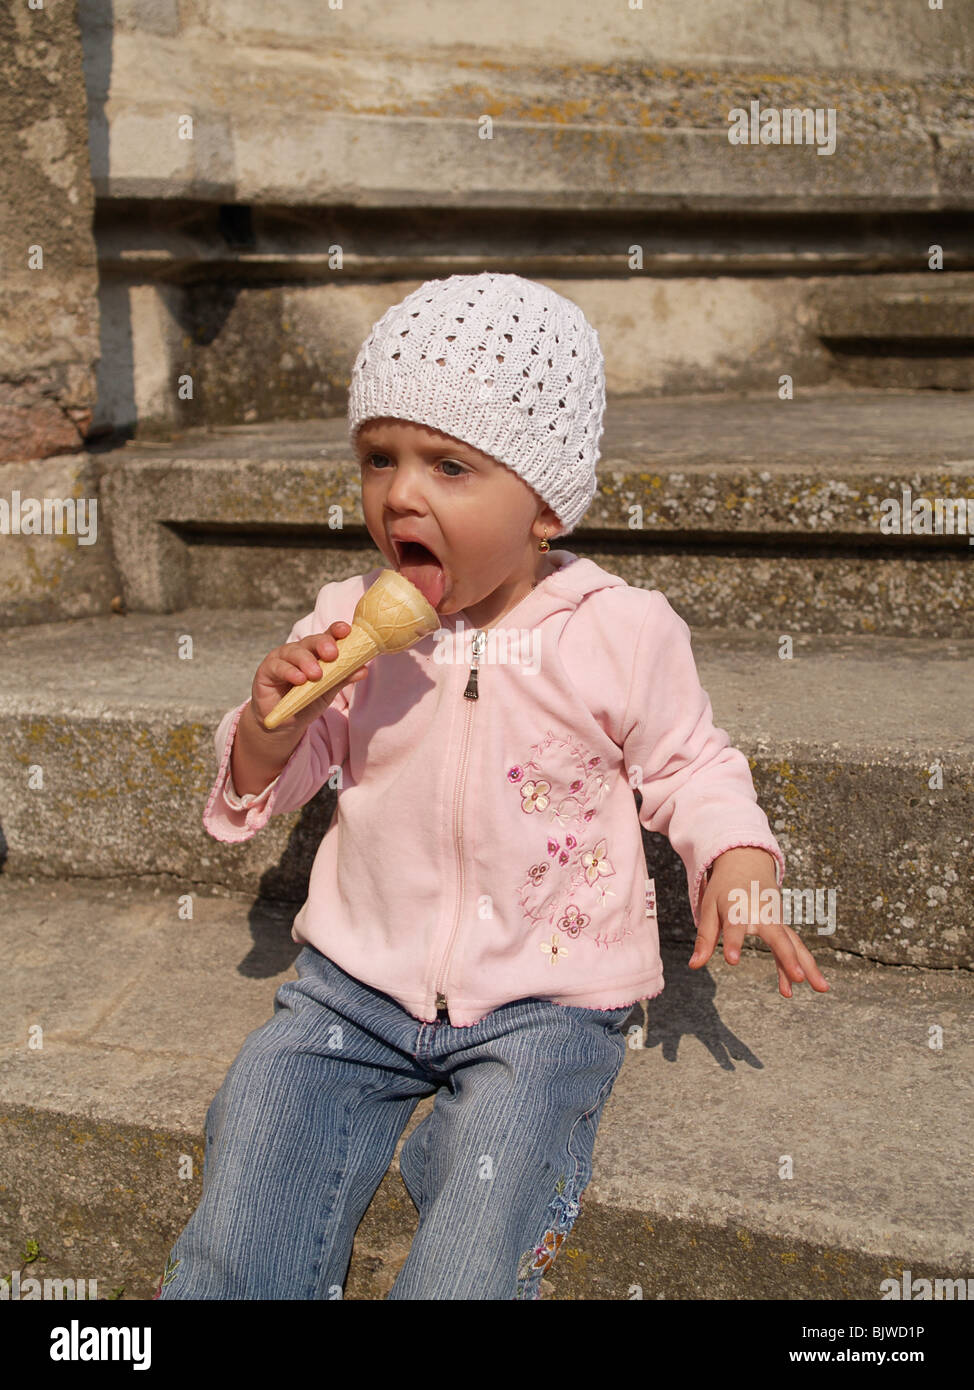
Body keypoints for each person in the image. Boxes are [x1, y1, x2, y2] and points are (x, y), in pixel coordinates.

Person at [156, 272, 829, 1302]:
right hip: (353, 983)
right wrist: (262, 723)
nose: (400, 494)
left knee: (486, 1217)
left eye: (449, 465)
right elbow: (269, 784)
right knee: (254, 1139)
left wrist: (733, 859)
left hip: (542, 1000)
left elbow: (690, 761)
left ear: (545, 504)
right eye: (378, 459)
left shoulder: (618, 629)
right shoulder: (345, 618)